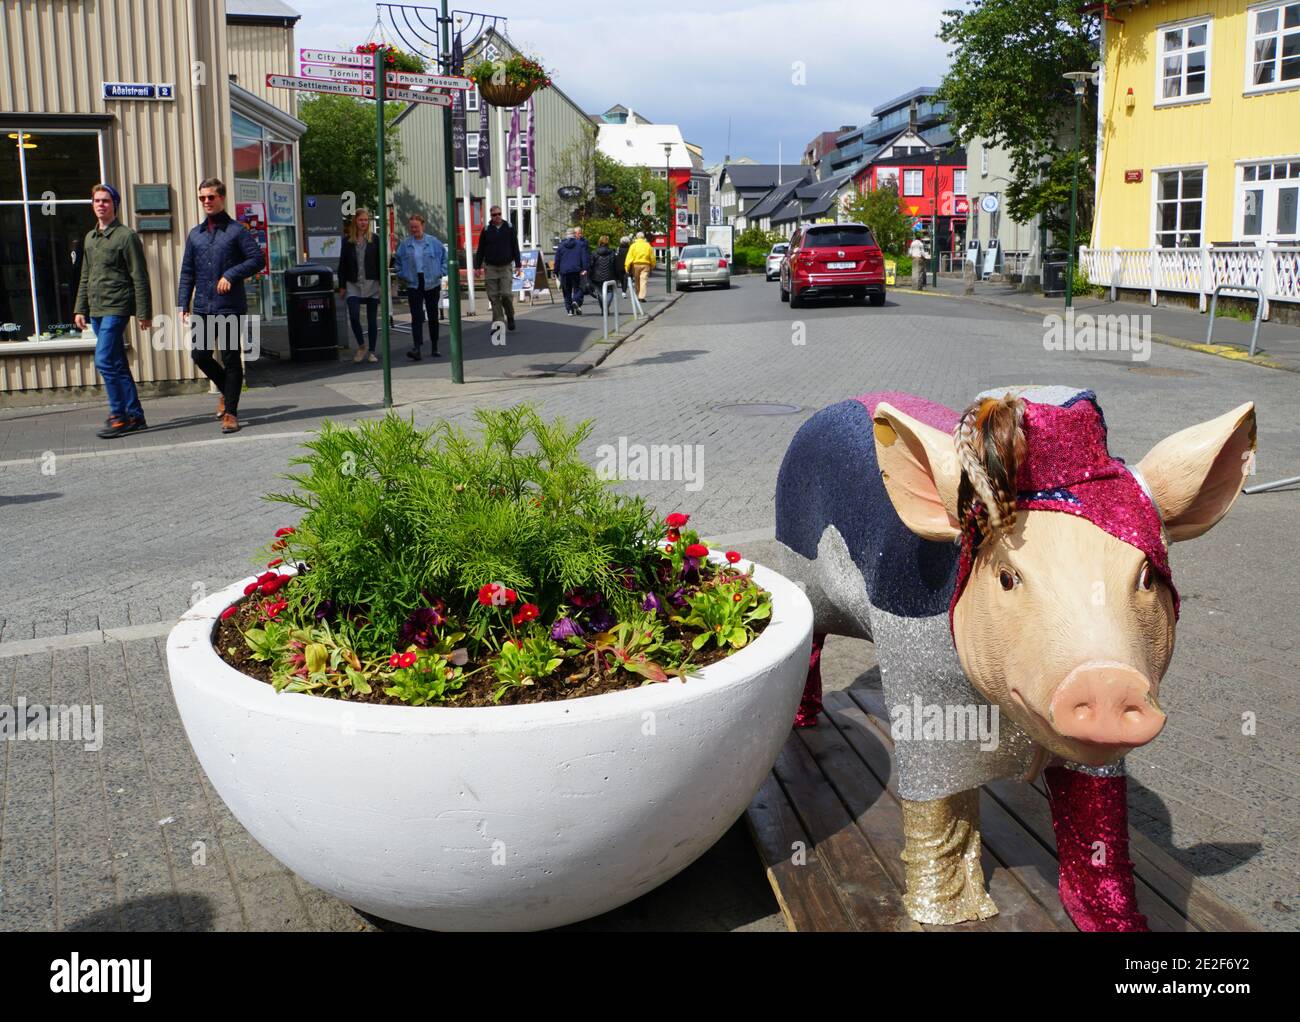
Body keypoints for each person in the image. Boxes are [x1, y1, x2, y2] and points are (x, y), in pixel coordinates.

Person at [177, 177, 264, 435]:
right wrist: (183, 303)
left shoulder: (237, 231)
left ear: (222, 198)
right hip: (203, 306)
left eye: (211, 197)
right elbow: (187, 271)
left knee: (230, 358)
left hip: (229, 307)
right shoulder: (195, 235)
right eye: (202, 197)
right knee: (200, 355)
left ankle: (231, 414)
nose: (206, 201)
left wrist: (231, 274)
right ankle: (228, 390)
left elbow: (257, 259)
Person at [74, 184, 151, 439]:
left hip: (117, 307)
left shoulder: (126, 236)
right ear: (92, 204)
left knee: (104, 360)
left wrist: (144, 312)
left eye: (105, 200)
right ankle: (136, 415)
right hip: (96, 309)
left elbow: (139, 276)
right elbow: (85, 275)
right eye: (97, 200)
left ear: (114, 205)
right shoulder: (90, 238)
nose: (101, 204)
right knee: (117, 363)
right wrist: (80, 308)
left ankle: (119, 416)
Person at [394, 213, 448, 360]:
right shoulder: (405, 245)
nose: (414, 230)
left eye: (416, 227)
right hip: (414, 282)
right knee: (416, 316)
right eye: (411, 227)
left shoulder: (434, 242)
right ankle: (416, 348)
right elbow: (397, 262)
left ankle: (435, 347)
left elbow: (445, 258)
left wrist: (440, 272)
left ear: (423, 226)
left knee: (433, 315)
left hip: (431, 281)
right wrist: (403, 274)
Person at [338, 209, 382, 362]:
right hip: (353, 283)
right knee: (354, 315)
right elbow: (342, 264)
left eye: (365, 220)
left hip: (372, 283)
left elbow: (380, 262)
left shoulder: (375, 239)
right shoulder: (347, 241)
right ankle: (362, 346)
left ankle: (372, 351)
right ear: (355, 221)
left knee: (372, 319)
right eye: (360, 220)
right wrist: (342, 286)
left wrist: (382, 284)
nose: (363, 222)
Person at [474, 204, 522, 331]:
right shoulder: (486, 230)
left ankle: (510, 315)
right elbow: (480, 249)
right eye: (494, 215)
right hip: (490, 267)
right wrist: (477, 267)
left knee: (506, 294)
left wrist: (518, 265)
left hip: (505, 267)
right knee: (494, 297)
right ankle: (499, 323)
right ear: (491, 216)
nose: (497, 216)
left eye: (499, 214)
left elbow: (515, 247)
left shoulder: (509, 228)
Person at [554, 227, 591, 315]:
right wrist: (585, 268)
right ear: (574, 234)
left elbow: (557, 260)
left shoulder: (561, 246)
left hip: (564, 271)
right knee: (578, 288)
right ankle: (576, 301)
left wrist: (555, 271)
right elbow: (584, 258)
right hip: (576, 270)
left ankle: (569, 310)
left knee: (566, 290)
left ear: (566, 235)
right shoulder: (580, 244)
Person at [589, 235, 620, 313]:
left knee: (600, 292)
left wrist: (589, 276)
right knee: (609, 291)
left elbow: (591, 265)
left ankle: (604, 308)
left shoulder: (594, 253)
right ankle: (605, 306)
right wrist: (618, 277)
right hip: (610, 276)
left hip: (597, 277)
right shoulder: (612, 253)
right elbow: (615, 265)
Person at [625, 231, 655, 301]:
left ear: (636, 237)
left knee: (637, 281)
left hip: (635, 265)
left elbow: (629, 257)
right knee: (643, 281)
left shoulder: (633, 246)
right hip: (646, 265)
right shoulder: (648, 245)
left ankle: (638, 294)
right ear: (643, 237)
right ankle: (641, 296)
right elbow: (652, 257)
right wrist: (652, 266)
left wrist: (627, 267)